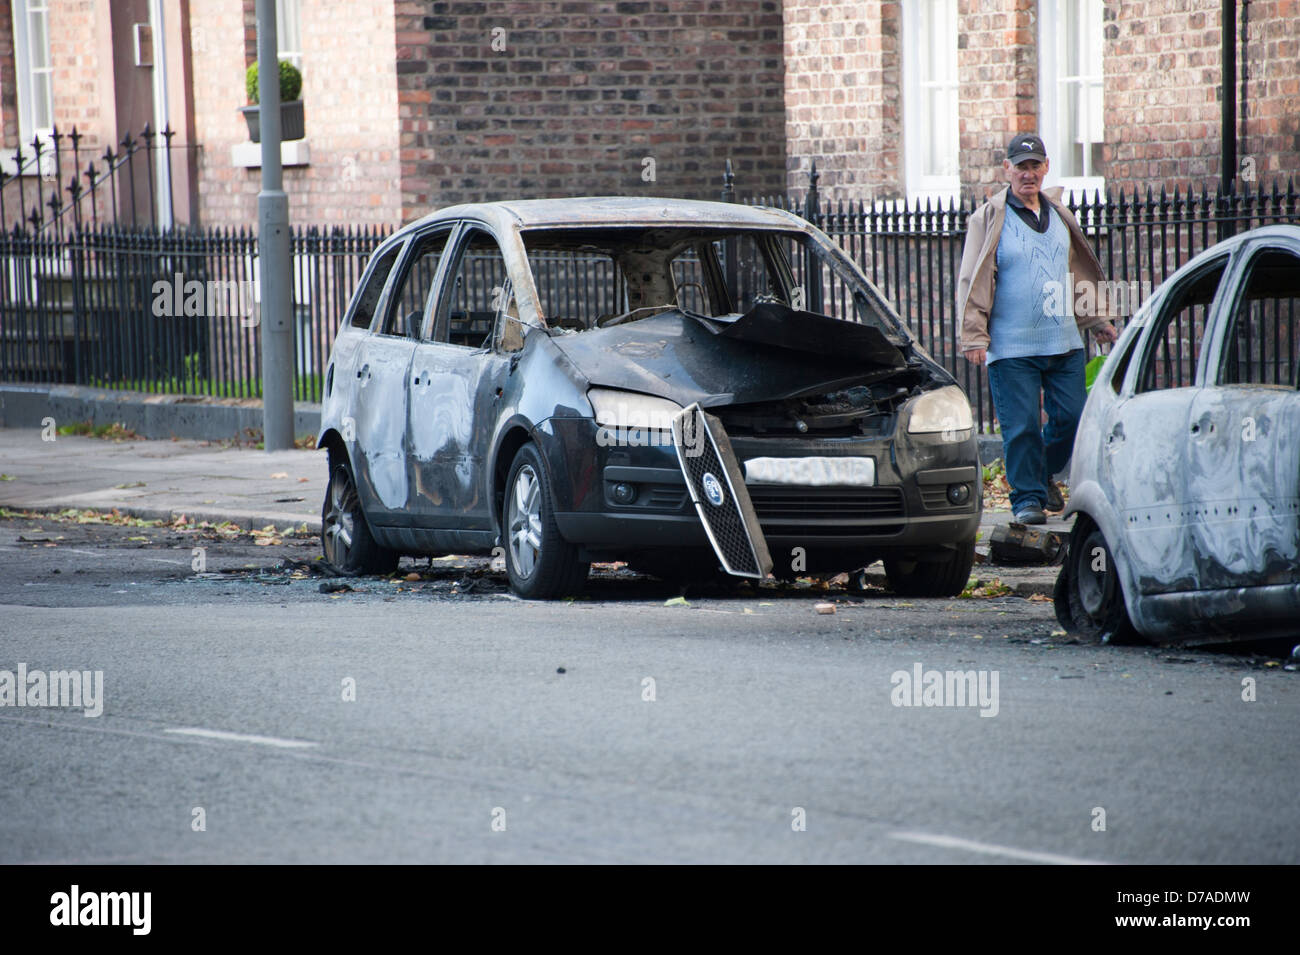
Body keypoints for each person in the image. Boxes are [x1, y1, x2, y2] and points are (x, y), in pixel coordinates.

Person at [957, 133, 1119, 525]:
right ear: (1007, 170)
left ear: (1045, 168)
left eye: (1035, 166)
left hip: (1063, 341)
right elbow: (972, 278)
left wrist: (1096, 317)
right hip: (1012, 347)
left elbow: (1077, 271)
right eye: (1020, 166)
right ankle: (1027, 498)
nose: (1028, 174)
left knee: (1075, 416)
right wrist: (974, 335)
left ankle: (1042, 472)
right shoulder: (989, 218)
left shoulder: (1061, 214)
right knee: (1023, 426)